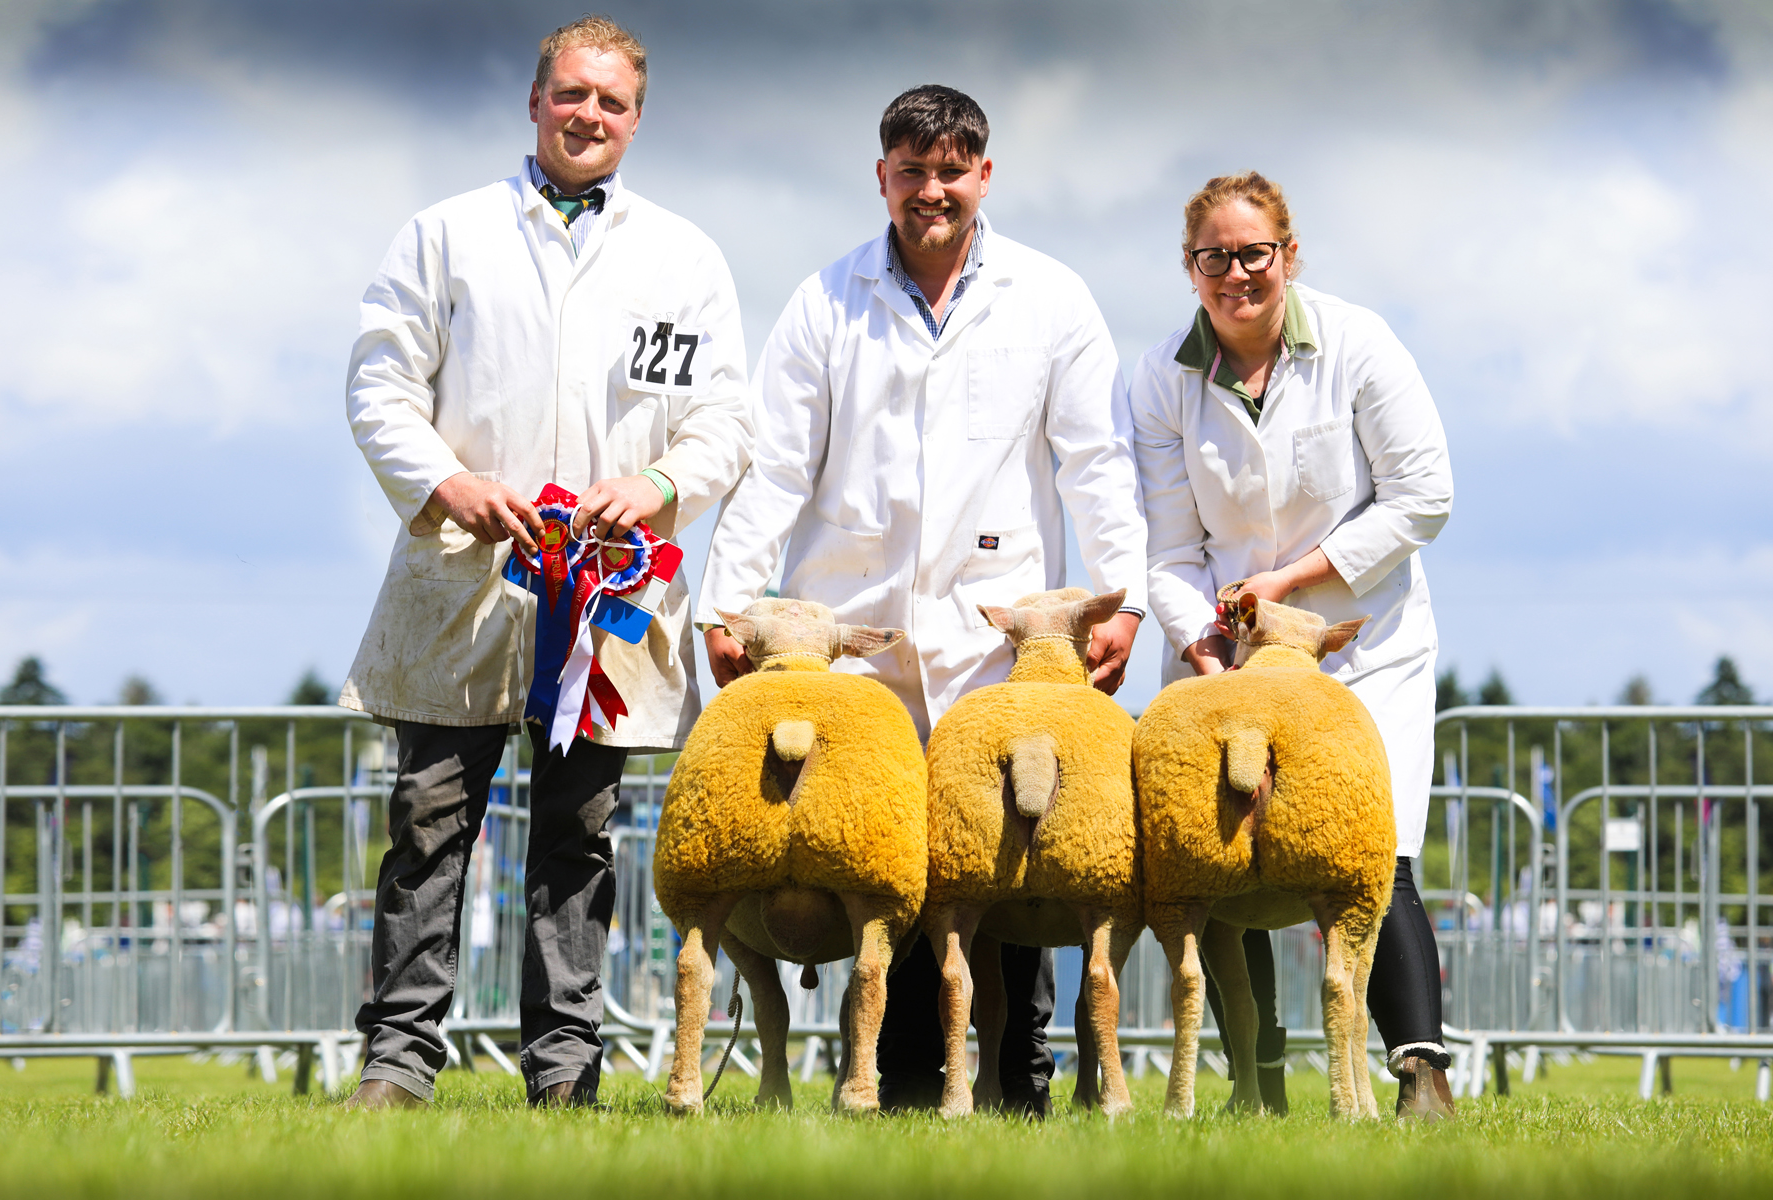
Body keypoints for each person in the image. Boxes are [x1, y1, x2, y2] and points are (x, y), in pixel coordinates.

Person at [697, 86, 1147, 1114]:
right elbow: (771, 472)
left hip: (1002, 637)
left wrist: (1119, 603)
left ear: (983, 175)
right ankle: (899, 1078)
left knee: (1012, 848)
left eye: (952, 171)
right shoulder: (825, 301)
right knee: (882, 855)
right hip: (852, 637)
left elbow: (1094, 463)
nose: (931, 190)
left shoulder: (1051, 297)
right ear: (883, 176)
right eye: (912, 171)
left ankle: (1019, 1077)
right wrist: (728, 610)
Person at [336, 17, 751, 1110]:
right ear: (534, 101)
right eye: (572, 95)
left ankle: (565, 1070)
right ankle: (397, 1064)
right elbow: (379, 385)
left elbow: (724, 422)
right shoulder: (446, 235)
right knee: (428, 826)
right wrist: (446, 484)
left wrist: (659, 487)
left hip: (605, 607)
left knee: (580, 840)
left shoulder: (685, 257)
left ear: (637, 119)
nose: (589, 117)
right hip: (465, 579)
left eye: (611, 103)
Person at [1128, 171, 1456, 1119]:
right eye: (1214, 258)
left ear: (1289, 254)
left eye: (1254, 254)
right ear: (1190, 268)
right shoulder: (1160, 378)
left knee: (1373, 849)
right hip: (1225, 658)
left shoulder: (1357, 343)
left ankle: (1420, 1071)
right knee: (1230, 850)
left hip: (1361, 644)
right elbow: (1168, 544)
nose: (1236, 274)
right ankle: (1256, 1081)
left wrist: (1291, 582)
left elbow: (1423, 494)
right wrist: (1201, 647)